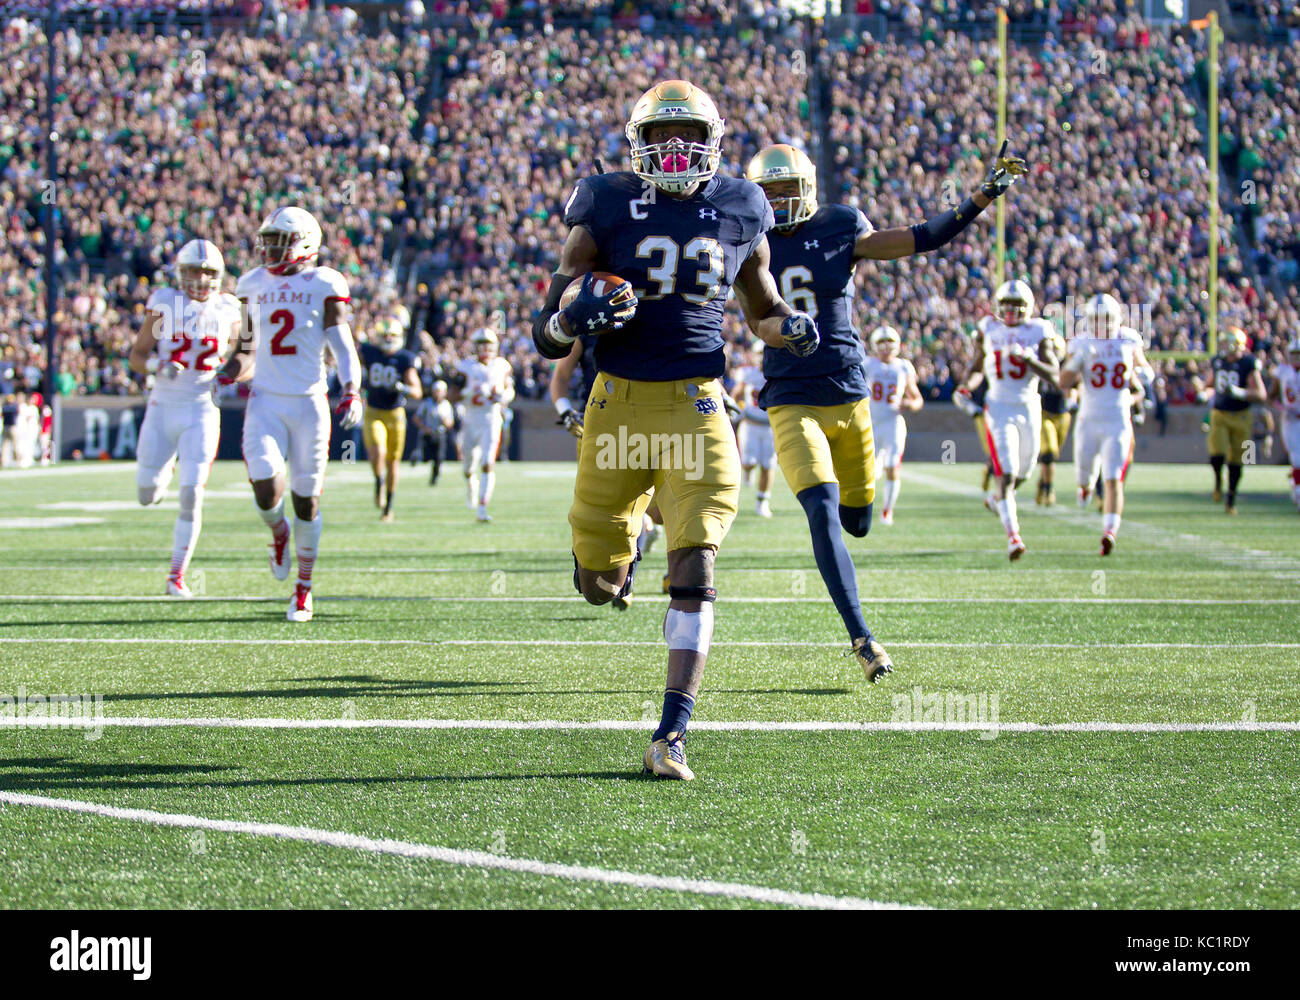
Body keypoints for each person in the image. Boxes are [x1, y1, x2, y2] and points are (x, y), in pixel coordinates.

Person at [531, 81, 822, 780]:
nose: (673, 147)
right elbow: (550, 322)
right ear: (637, 142)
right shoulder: (601, 199)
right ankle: (615, 558)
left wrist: (792, 331)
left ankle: (672, 734)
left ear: (713, 140)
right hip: (617, 406)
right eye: (659, 135)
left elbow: (762, 306)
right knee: (598, 582)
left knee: (697, 558)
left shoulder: (742, 204)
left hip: (697, 402)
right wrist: (574, 316)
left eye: (686, 132)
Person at [746, 138, 1027, 656]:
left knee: (858, 521)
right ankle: (862, 636)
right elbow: (756, 319)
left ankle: (859, 561)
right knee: (822, 510)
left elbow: (922, 238)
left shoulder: (840, 226)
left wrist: (983, 196)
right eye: (770, 190)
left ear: (807, 188)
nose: (780, 199)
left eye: (788, 188)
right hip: (790, 394)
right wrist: (784, 334)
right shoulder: (747, 239)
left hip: (849, 393)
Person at [217, 207, 363, 622]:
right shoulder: (251, 283)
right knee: (265, 488)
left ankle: (304, 588)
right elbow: (245, 349)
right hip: (265, 398)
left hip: (310, 402)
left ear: (303, 243)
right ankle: (278, 533)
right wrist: (226, 374)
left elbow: (342, 344)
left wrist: (351, 390)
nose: (268, 248)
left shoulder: (324, 282)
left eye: (278, 241)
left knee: (306, 500)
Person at [128, 239, 241, 596]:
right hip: (162, 406)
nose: (200, 278)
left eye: (208, 272)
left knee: (192, 493)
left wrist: (231, 374)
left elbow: (247, 356)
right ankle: (165, 469)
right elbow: (136, 355)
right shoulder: (165, 302)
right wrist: (156, 365)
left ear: (219, 275)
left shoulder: (230, 309)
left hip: (202, 410)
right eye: (194, 270)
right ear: (181, 272)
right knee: (146, 494)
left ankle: (176, 575)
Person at [964, 279, 1059, 560]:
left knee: (1024, 472)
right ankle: (1013, 537)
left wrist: (1029, 359)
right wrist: (966, 387)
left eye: (1017, 305)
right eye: (1007, 305)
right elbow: (977, 367)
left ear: (1028, 307)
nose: (1011, 311)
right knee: (1006, 471)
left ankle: (997, 499)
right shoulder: (988, 328)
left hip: (1029, 406)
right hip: (999, 406)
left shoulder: (1039, 330)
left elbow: (1054, 374)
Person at [1059, 294, 1153, 555]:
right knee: (1085, 474)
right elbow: (1063, 382)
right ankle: (1085, 488)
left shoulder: (1128, 339)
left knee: (1113, 478)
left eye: (1107, 319)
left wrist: (1145, 373)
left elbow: (1144, 368)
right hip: (1088, 419)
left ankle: (1110, 531)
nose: (1102, 325)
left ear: (1116, 319)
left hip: (1118, 419)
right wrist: (1077, 361)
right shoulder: (1081, 342)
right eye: (1097, 320)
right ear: (1090, 321)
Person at [1192, 326, 1268, 513]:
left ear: (1237, 344)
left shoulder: (1248, 363)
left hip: (1242, 416)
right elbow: (1211, 385)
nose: (1224, 346)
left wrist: (1240, 392)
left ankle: (1231, 497)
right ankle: (1218, 480)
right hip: (1220, 413)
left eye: (1227, 342)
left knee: (1239, 459)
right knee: (1216, 453)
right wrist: (1204, 394)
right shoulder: (1218, 362)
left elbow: (1261, 394)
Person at [360, 317, 422, 522]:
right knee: (378, 451)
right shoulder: (370, 352)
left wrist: (402, 388)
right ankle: (378, 481)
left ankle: (388, 506)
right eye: (384, 335)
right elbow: (349, 357)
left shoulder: (405, 358)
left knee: (393, 461)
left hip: (395, 414)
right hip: (374, 411)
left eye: (391, 335)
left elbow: (417, 391)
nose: (387, 339)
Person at [862, 325, 922, 524]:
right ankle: (865, 507)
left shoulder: (903, 366)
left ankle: (887, 510)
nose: (886, 347)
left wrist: (909, 403)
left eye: (889, 343)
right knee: (869, 470)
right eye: (881, 343)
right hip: (871, 421)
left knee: (892, 466)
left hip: (893, 422)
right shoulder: (868, 364)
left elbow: (917, 399)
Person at [456, 328, 515, 522]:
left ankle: (482, 507)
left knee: (488, 463)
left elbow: (509, 389)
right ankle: (471, 485)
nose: (485, 349)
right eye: (481, 345)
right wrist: (467, 393)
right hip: (470, 418)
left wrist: (503, 396)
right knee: (468, 466)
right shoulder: (465, 367)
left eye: (488, 345)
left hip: (491, 419)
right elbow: (452, 392)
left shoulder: (501, 365)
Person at [730, 343, 776, 517]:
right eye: (760, 354)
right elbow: (736, 394)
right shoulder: (748, 374)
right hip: (750, 424)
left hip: (771, 426)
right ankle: (748, 472)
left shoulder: (777, 373)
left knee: (768, 465)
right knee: (748, 462)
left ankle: (762, 501)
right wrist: (736, 410)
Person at [1035, 333, 1074, 506]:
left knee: (1052, 456)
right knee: (1049, 453)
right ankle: (1049, 489)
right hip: (1044, 412)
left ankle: (1042, 483)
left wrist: (1072, 398)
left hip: (1063, 414)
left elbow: (1076, 386)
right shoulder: (1042, 365)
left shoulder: (1069, 365)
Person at [1269, 336, 1300, 512]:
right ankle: (1298, 492)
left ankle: (1295, 483)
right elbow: (1271, 396)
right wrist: (1281, 408)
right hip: (1291, 420)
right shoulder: (1282, 371)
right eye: (1294, 354)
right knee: (1297, 458)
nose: (1296, 358)